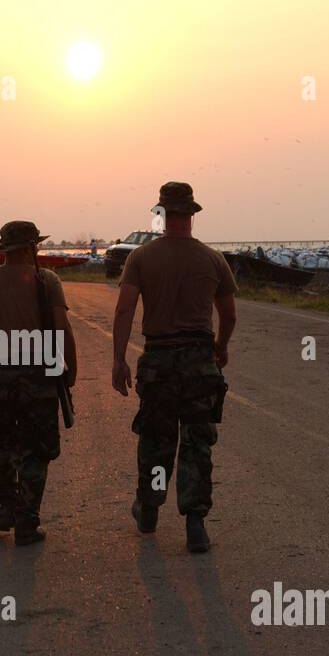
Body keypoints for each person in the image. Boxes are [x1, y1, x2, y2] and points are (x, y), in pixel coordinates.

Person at [111, 182, 237, 553]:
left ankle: (148, 510)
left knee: (156, 440)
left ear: (161, 213)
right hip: (200, 360)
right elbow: (228, 314)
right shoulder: (213, 260)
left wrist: (118, 359)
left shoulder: (140, 258)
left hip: (159, 360)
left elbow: (124, 310)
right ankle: (195, 523)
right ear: (193, 214)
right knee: (197, 442)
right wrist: (220, 346)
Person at [0, 220, 77, 546]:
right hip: (37, 377)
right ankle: (27, 521)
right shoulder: (47, 280)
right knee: (35, 451)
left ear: (5, 249)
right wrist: (70, 369)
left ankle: (6, 506)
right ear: (32, 247)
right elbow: (62, 329)